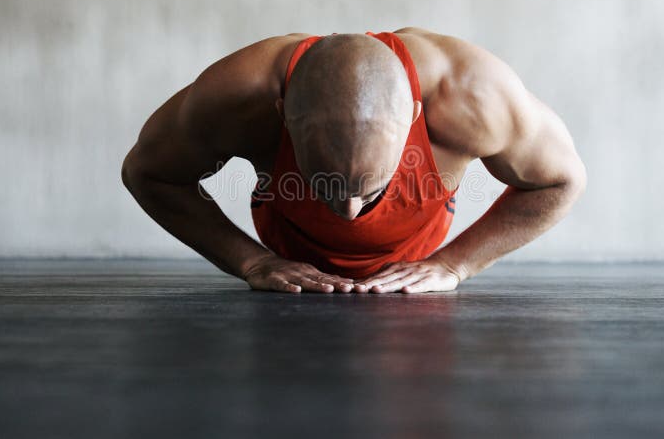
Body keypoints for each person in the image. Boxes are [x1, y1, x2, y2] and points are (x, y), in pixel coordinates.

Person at [121, 27, 586, 294]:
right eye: (325, 186)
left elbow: (562, 181)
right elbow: (147, 173)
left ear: (412, 118)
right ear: (283, 117)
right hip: (286, 247)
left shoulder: (470, 94)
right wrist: (251, 262)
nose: (348, 211)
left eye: (372, 189)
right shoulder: (238, 98)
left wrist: (454, 264)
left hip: (416, 254)